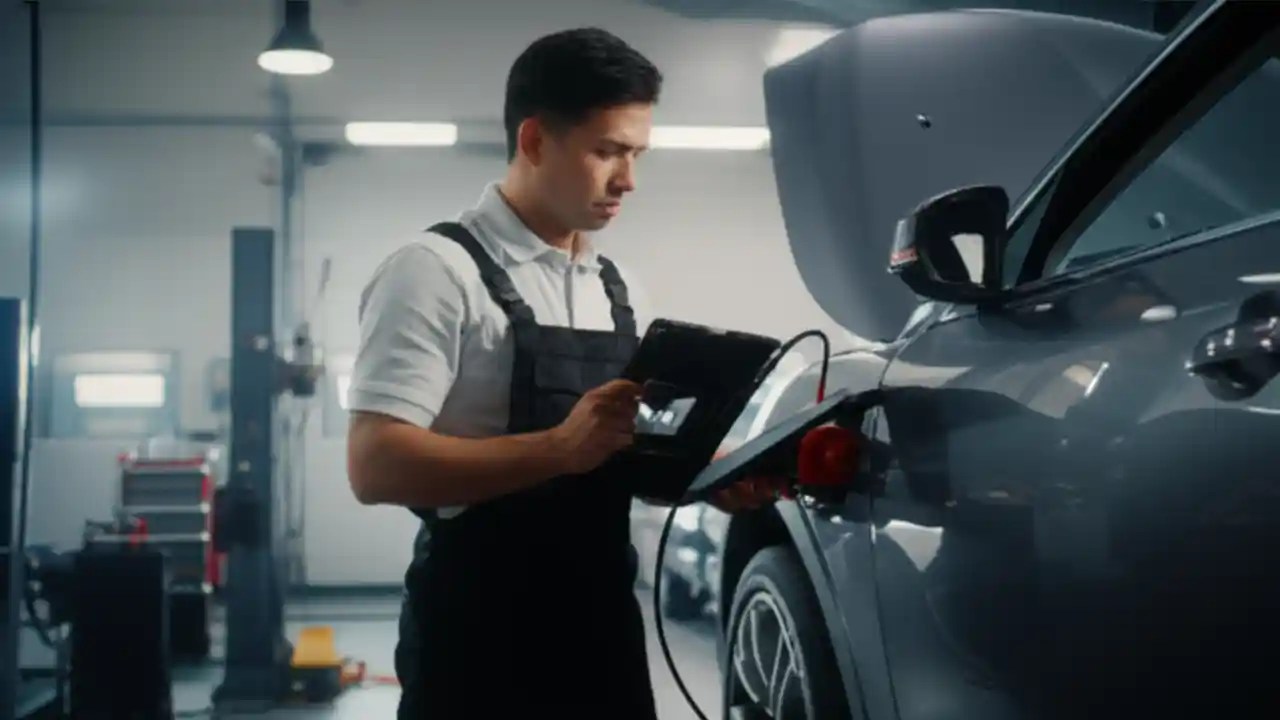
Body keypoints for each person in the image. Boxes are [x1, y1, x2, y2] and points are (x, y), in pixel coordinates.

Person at [345, 27, 781, 718]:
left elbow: (609, 452)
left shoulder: (614, 285)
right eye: (606, 151)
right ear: (535, 140)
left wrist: (707, 470)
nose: (628, 180)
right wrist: (558, 450)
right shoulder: (434, 271)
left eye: (636, 154)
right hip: (479, 636)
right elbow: (374, 466)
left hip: (602, 623)